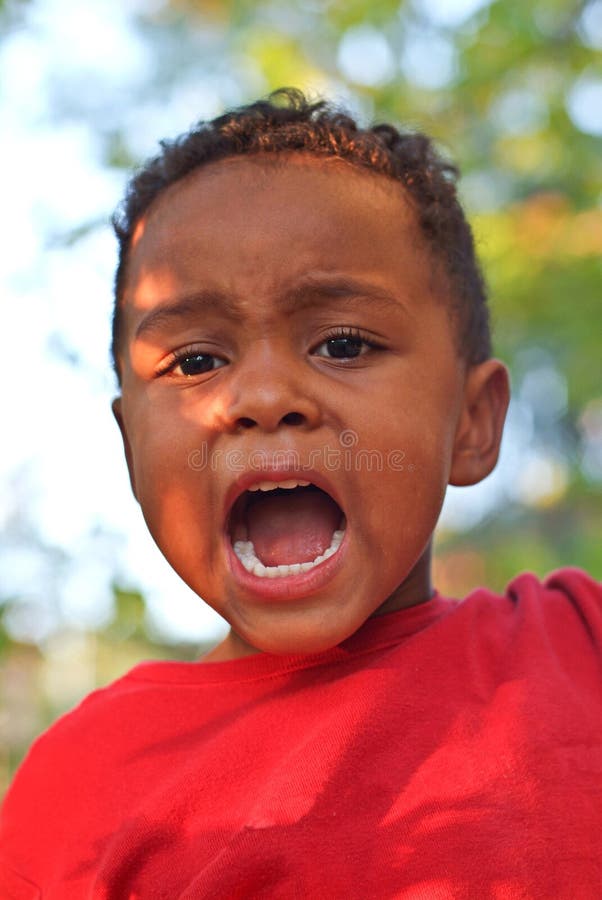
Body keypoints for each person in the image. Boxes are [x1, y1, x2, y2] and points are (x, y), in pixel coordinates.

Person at [1, 88, 600, 898]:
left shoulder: (578, 647)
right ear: (131, 445)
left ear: (471, 422)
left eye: (343, 342)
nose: (263, 395)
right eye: (195, 361)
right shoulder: (76, 786)